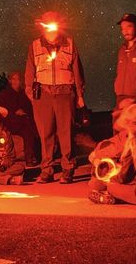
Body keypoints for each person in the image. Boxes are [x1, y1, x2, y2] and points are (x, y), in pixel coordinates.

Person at [25, 11, 85, 184]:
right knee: (45, 133)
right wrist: (30, 93)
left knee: (66, 132)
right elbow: (29, 70)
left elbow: (78, 72)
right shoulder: (34, 45)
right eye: (47, 24)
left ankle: (68, 169)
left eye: (53, 24)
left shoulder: (70, 44)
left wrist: (80, 95)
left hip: (65, 92)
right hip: (43, 93)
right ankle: (47, 170)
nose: (50, 28)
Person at [0, 71, 40, 166]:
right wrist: (14, 112)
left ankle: (34, 156)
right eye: (14, 79)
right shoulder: (4, 94)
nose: (16, 81)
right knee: (28, 126)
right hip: (10, 121)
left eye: (18, 79)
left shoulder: (23, 94)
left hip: (23, 121)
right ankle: (30, 158)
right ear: (10, 80)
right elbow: (1, 110)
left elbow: (29, 109)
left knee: (31, 127)